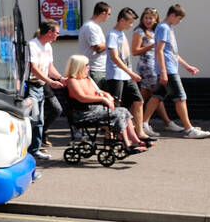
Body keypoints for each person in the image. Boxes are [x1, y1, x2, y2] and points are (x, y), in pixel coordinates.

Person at [143, 3, 209, 138]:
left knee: (157, 97)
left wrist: (187, 66)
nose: (180, 21)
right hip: (168, 70)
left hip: (169, 68)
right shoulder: (163, 28)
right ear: (172, 15)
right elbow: (159, 51)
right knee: (180, 97)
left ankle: (143, 124)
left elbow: (172, 52)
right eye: (179, 18)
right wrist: (163, 71)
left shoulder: (168, 28)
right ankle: (189, 129)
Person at [64, 53, 148, 153]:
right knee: (118, 114)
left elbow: (97, 91)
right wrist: (102, 99)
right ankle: (127, 144)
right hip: (83, 113)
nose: (88, 67)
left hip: (94, 110)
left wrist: (106, 94)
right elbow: (82, 97)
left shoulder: (86, 79)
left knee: (124, 111)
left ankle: (135, 140)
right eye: (86, 65)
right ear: (79, 67)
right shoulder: (73, 81)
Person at [103, 7, 151, 144]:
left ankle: (139, 131)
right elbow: (114, 57)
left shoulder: (121, 34)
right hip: (116, 76)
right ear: (122, 20)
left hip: (127, 75)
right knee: (116, 106)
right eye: (129, 22)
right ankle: (113, 133)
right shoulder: (112, 35)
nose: (131, 26)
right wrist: (131, 72)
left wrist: (129, 73)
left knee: (138, 100)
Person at [26, 20, 66, 161]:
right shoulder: (32, 45)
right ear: (49, 32)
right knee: (34, 119)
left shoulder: (48, 46)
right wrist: (50, 81)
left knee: (39, 120)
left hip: (41, 86)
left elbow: (50, 67)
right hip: (31, 85)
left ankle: (34, 150)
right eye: (56, 32)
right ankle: (28, 151)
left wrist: (60, 78)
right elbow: (34, 68)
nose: (57, 35)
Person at [132, 7, 174, 136]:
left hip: (156, 66)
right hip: (146, 68)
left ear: (156, 19)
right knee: (154, 96)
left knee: (151, 96)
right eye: (146, 18)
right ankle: (142, 123)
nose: (148, 20)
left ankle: (138, 123)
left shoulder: (157, 31)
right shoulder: (140, 31)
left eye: (151, 18)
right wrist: (152, 45)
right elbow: (135, 51)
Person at [78, 1, 111, 84]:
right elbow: (97, 48)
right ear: (103, 13)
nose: (109, 17)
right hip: (94, 68)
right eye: (109, 14)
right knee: (98, 94)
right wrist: (111, 42)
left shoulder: (95, 26)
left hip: (99, 68)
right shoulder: (90, 27)